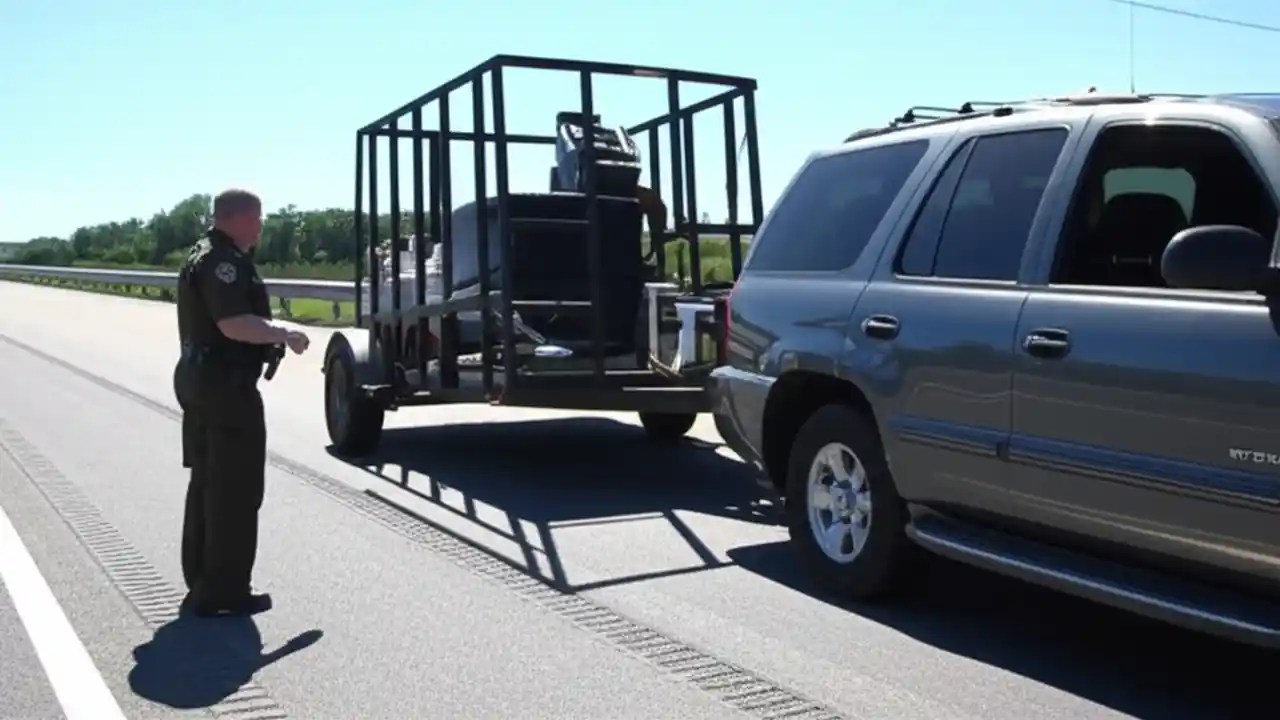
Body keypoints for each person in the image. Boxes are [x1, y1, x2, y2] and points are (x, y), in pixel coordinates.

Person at [172, 188, 310, 618]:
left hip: (203, 380)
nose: (262, 228)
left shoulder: (204, 253)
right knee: (234, 488)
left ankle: (204, 580)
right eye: (259, 220)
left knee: (209, 482)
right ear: (238, 218)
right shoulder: (223, 261)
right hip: (224, 387)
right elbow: (233, 323)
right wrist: (282, 332)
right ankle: (224, 589)